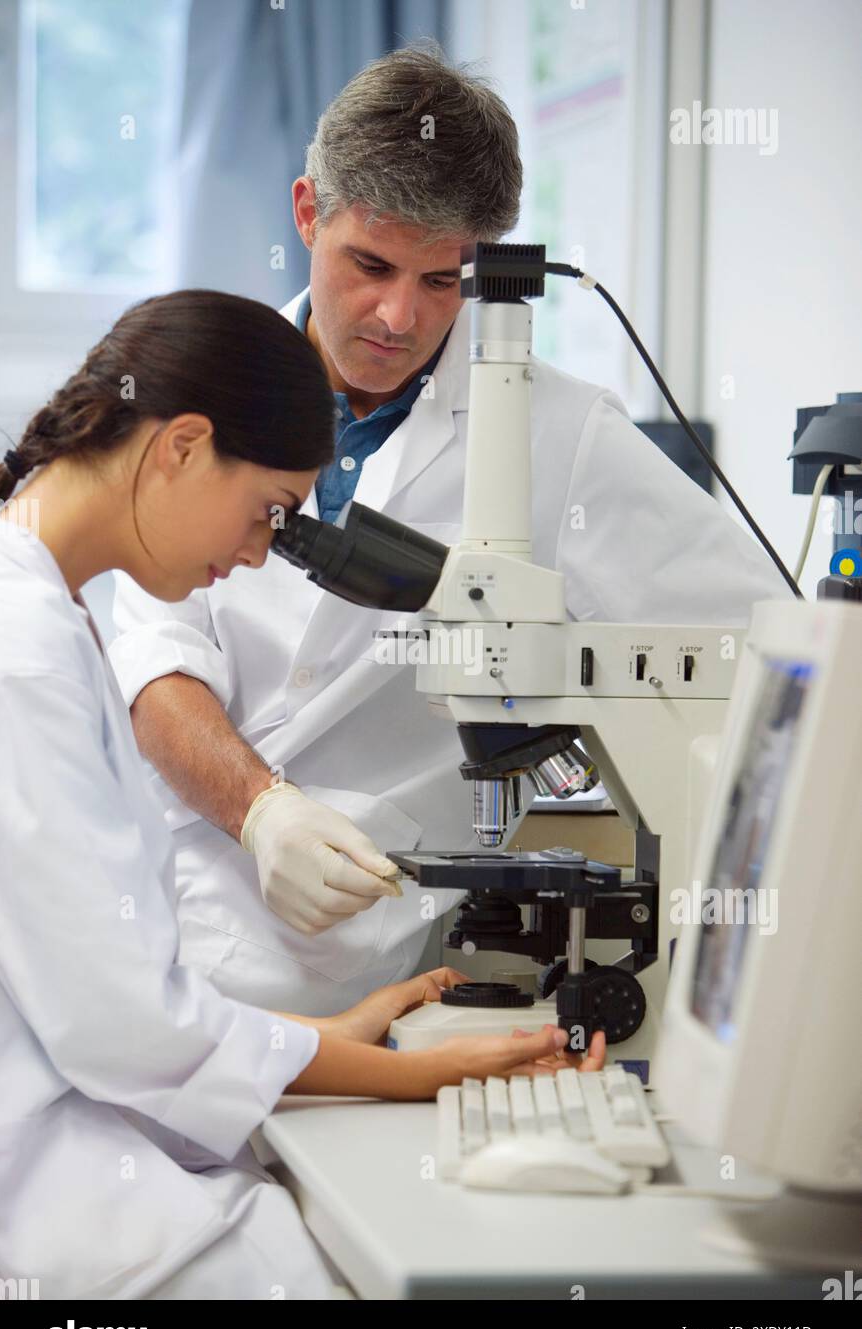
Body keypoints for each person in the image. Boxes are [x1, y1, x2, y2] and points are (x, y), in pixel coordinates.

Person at [108, 44, 789, 1016]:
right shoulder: (197, 389)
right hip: (145, 909)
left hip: (351, 964)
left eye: (444, 279)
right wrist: (260, 811)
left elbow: (769, 639)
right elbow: (153, 659)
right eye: (371, 265)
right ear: (307, 212)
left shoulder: (559, 436)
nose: (398, 315)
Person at [0, 289, 604, 1301]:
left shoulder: (44, 611)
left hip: (98, 1154)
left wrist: (328, 1040)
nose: (252, 553)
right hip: (59, 1209)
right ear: (182, 446)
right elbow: (117, 1027)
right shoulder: (23, 652)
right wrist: (416, 1073)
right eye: (269, 512)